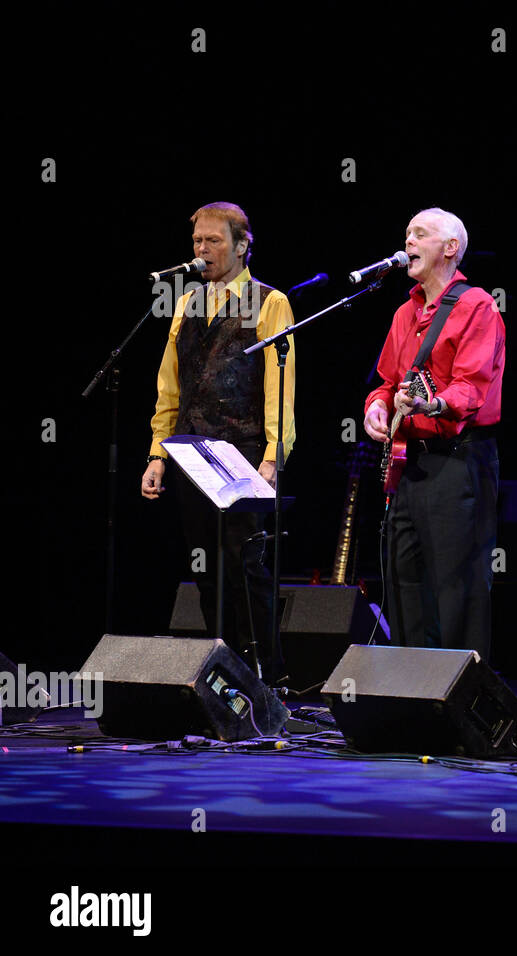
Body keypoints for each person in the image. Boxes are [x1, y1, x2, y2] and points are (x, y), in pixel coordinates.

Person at [142, 202, 296, 679]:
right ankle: (223, 674)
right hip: (191, 455)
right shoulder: (186, 303)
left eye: (213, 241)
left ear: (242, 245)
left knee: (246, 567)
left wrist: (273, 457)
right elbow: (171, 386)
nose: (202, 250)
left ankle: (269, 676)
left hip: (243, 453)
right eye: (196, 242)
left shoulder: (269, 302)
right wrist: (157, 454)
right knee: (206, 572)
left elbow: (280, 389)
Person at [362, 208, 504, 660]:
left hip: (458, 460)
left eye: (419, 234)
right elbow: (386, 382)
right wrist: (376, 407)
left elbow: (471, 386)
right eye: (407, 233)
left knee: (455, 584)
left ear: (450, 249)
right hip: (409, 462)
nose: (408, 241)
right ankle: (412, 698)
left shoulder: (477, 304)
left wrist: (432, 404)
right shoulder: (405, 312)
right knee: (404, 575)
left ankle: (459, 702)